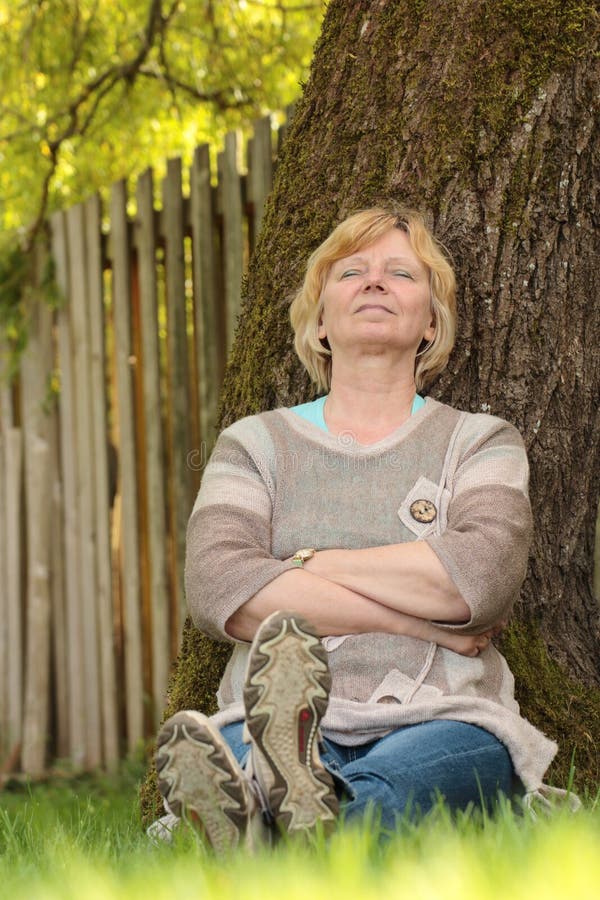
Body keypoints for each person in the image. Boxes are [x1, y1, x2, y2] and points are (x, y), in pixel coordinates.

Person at [153, 205, 558, 853]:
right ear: (318, 320)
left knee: (401, 779)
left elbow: (475, 580)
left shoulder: (480, 443)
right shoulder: (254, 444)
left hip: (442, 717)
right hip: (265, 718)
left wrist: (299, 565)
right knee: (240, 758)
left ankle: (269, 829)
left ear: (431, 321)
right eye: (351, 272)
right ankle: (290, 813)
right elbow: (217, 586)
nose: (374, 282)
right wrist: (417, 623)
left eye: (401, 272)